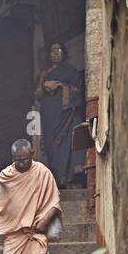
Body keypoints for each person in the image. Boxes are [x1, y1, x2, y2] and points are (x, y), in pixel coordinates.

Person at [34, 39, 84, 189]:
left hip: (66, 117)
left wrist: (62, 86)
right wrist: (44, 83)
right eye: (52, 50)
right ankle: (56, 182)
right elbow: (37, 95)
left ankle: (68, 180)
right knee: (51, 147)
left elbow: (78, 93)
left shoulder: (71, 72)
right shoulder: (44, 73)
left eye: (58, 50)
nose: (55, 53)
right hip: (49, 117)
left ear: (64, 53)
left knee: (66, 146)